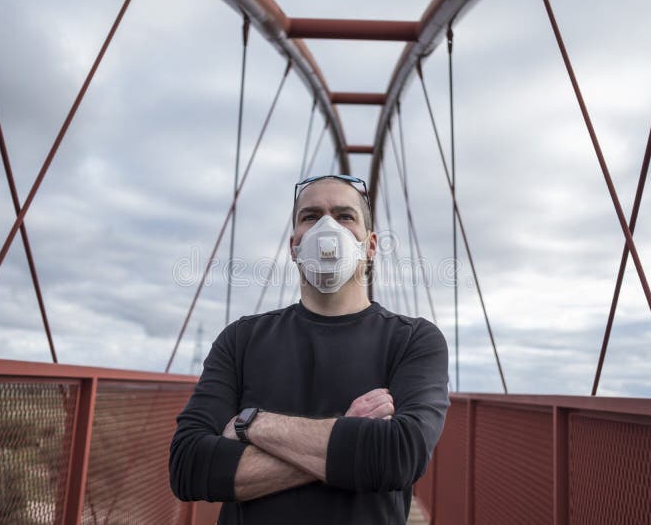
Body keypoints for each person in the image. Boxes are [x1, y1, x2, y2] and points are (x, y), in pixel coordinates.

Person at [169, 175, 449, 524]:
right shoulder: (240, 339)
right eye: (311, 216)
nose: (327, 227)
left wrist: (250, 424)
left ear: (371, 245)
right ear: (293, 246)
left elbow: (399, 456)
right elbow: (189, 468)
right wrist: (352, 438)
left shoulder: (413, 339)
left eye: (345, 216)